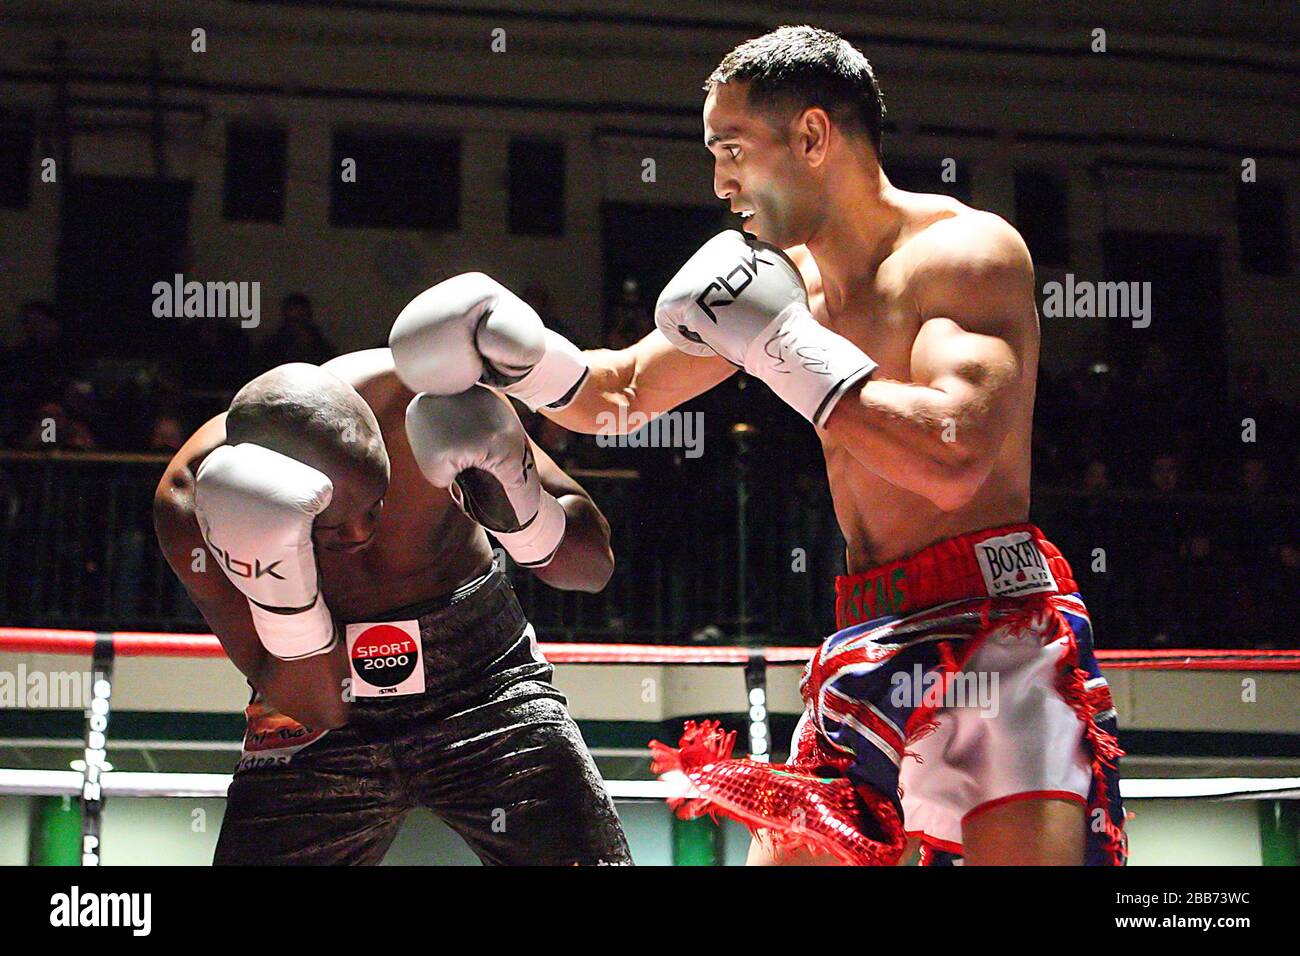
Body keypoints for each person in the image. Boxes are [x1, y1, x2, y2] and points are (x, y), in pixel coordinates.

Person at [388, 25, 1125, 865]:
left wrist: (783, 343)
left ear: (812, 135)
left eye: (731, 148)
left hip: (998, 633)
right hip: (866, 630)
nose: (719, 182)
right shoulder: (780, 285)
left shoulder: (961, 254)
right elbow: (620, 393)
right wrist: (508, 349)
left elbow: (954, 458)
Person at [153, 355, 631, 865]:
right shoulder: (191, 506)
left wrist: (528, 513)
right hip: (317, 694)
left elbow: (593, 569)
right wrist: (285, 600)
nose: (359, 535)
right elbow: (318, 707)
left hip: (486, 676)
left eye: (375, 506)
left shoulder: (427, 399)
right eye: (329, 526)